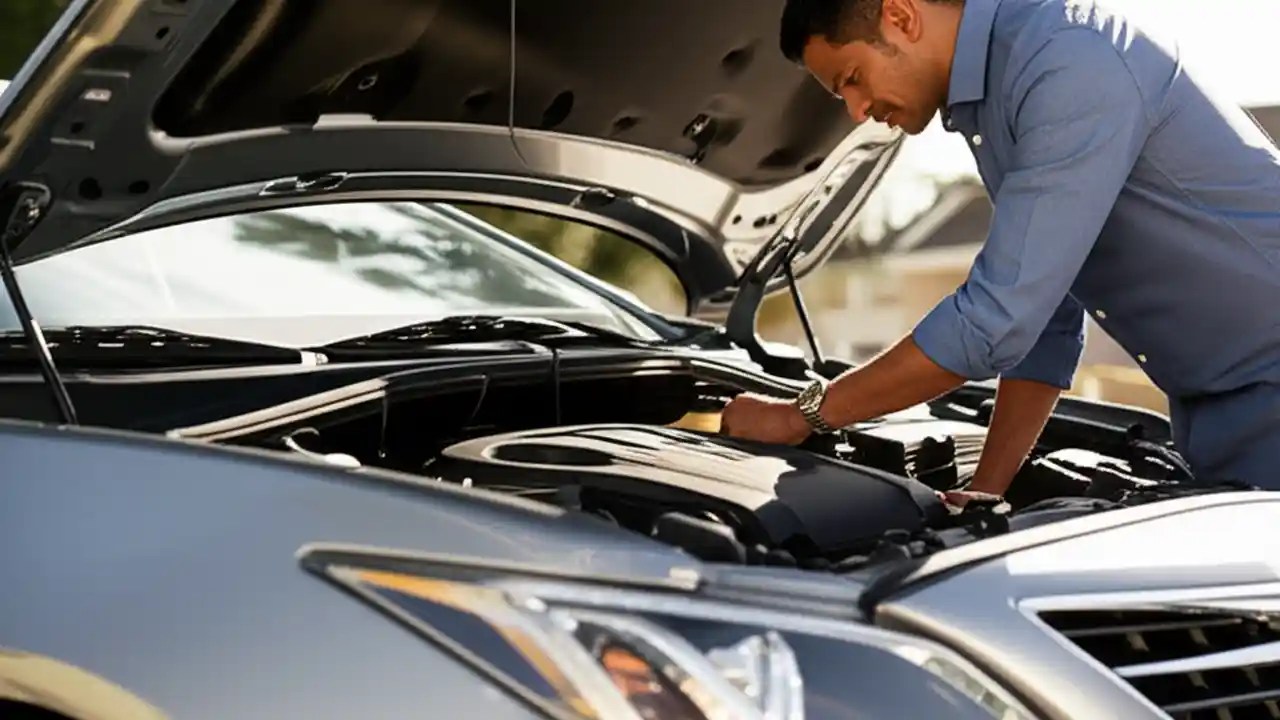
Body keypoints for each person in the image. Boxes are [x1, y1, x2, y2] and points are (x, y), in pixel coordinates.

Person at [721, 0, 1280, 500]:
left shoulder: (1066, 60)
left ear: (901, 16)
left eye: (853, 79)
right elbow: (1044, 324)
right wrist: (988, 491)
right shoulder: (1002, 87)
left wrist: (803, 416)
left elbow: (994, 322)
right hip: (1224, 420)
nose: (857, 110)